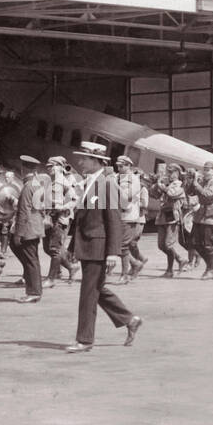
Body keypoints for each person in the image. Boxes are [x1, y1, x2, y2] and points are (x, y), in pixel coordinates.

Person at [65, 142, 141, 353]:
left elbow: (114, 220)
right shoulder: (90, 183)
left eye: (84, 158)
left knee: (88, 293)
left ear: (96, 161)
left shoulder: (106, 184)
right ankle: (130, 320)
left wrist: (113, 253)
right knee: (96, 290)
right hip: (88, 245)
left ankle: (85, 340)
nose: (80, 162)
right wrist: (73, 247)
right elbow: (82, 219)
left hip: (98, 247)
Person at [11, 155, 46, 303]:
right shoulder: (37, 185)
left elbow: (24, 211)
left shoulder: (27, 186)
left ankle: (33, 292)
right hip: (36, 227)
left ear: (23, 168)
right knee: (33, 260)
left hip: (28, 229)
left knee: (30, 260)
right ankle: (35, 291)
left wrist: (18, 233)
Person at [116, 155, 148, 280]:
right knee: (117, 246)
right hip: (118, 215)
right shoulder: (117, 177)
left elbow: (126, 196)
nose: (118, 168)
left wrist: (114, 185)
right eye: (117, 166)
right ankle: (135, 264)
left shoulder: (134, 180)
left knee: (122, 246)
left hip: (129, 216)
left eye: (121, 166)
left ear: (129, 165)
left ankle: (125, 275)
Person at [192, 161, 213, 279]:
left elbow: (207, 194)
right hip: (200, 215)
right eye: (204, 169)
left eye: (208, 170)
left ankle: (210, 269)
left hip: (210, 215)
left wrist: (197, 185)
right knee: (195, 243)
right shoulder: (203, 181)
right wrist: (191, 181)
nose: (205, 172)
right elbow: (191, 192)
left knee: (207, 244)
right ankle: (211, 265)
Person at [154, 163, 185, 276]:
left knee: (168, 244)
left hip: (172, 216)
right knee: (161, 245)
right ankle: (180, 259)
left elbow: (172, 194)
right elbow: (155, 195)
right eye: (168, 172)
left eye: (172, 172)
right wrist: (156, 183)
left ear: (178, 173)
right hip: (163, 216)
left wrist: (163, 186)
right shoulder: (167, 184)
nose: (170, 175)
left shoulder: (180, 185)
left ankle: (170, 270)